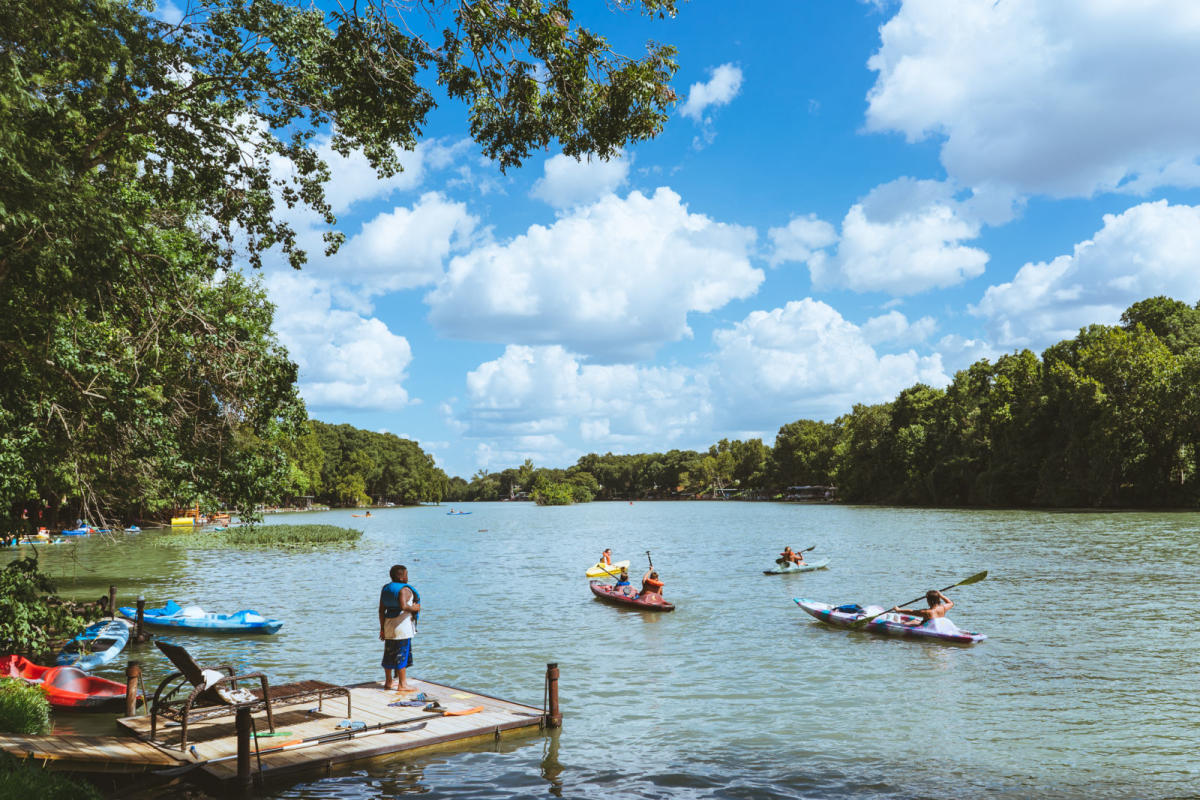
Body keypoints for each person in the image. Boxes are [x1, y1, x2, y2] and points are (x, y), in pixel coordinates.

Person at [379, 564, 421, 691]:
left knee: (389, 654)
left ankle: (388, 682)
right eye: (406, 574)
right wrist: (414, 608)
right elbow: (403, 606)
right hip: (402, 628)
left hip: (389, 626)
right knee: (401, 655)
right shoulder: (404, 590)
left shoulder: (386, 588)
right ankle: (402, 685)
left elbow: (381, 610)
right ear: (401, 577)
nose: (407, 577)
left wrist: (382, 628)